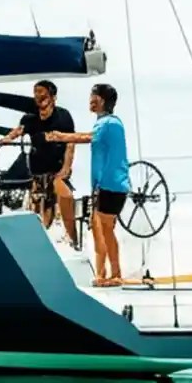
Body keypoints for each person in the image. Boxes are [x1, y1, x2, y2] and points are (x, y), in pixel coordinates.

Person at [45, 83, 131, 287]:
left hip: (112, 185)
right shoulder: (105, 122)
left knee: (105, 229)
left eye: (93, 97)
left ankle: (116, 274)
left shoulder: (109, 123)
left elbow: (87, 138)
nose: (90, 101)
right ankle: (102, 274)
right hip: (104, 186)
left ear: (101, 100)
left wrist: (60, 136)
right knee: (97, 228)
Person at [0, 80, 77, 245]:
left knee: (56, 202)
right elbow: (19, 130)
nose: (38, 96)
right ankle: (36, 241)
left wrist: (66, 167)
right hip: (36, 170)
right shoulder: (30, 117)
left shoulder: (63, 116)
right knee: (36, 208)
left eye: (42, 93)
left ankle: (70, 238)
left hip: (56, 169)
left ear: (53, 97)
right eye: (35, 93)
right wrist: (7, 139)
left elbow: (71, 143)